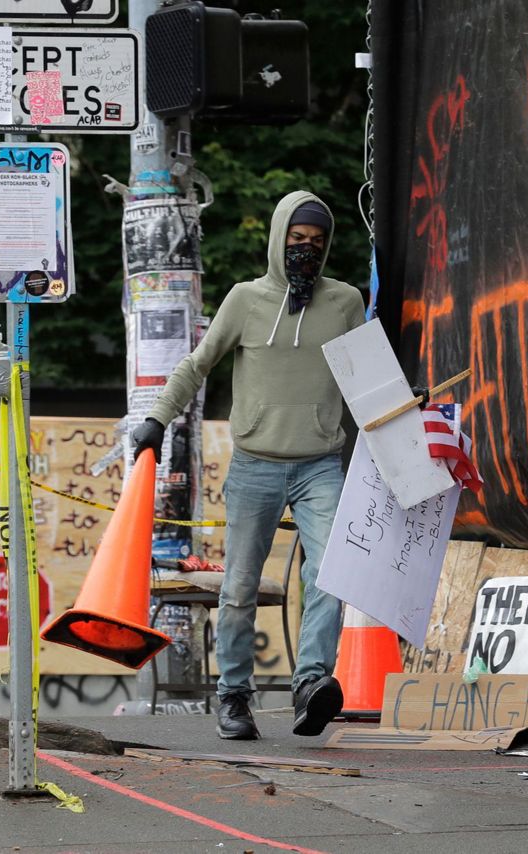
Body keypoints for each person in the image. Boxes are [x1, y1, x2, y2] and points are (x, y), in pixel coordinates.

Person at [133, 191, 364, 740]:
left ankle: (311, 683)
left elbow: (368, 376)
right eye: (297, 240)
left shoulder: (345, 303)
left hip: (321, 463)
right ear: (279, 238)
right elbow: (197, 366)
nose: (306, 250)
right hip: (256, 463)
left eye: (317, 242)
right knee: (238, 588)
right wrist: (157, 421)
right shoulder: (246, 299)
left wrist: (403, 408)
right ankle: (234, 696)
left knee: (329, 573)